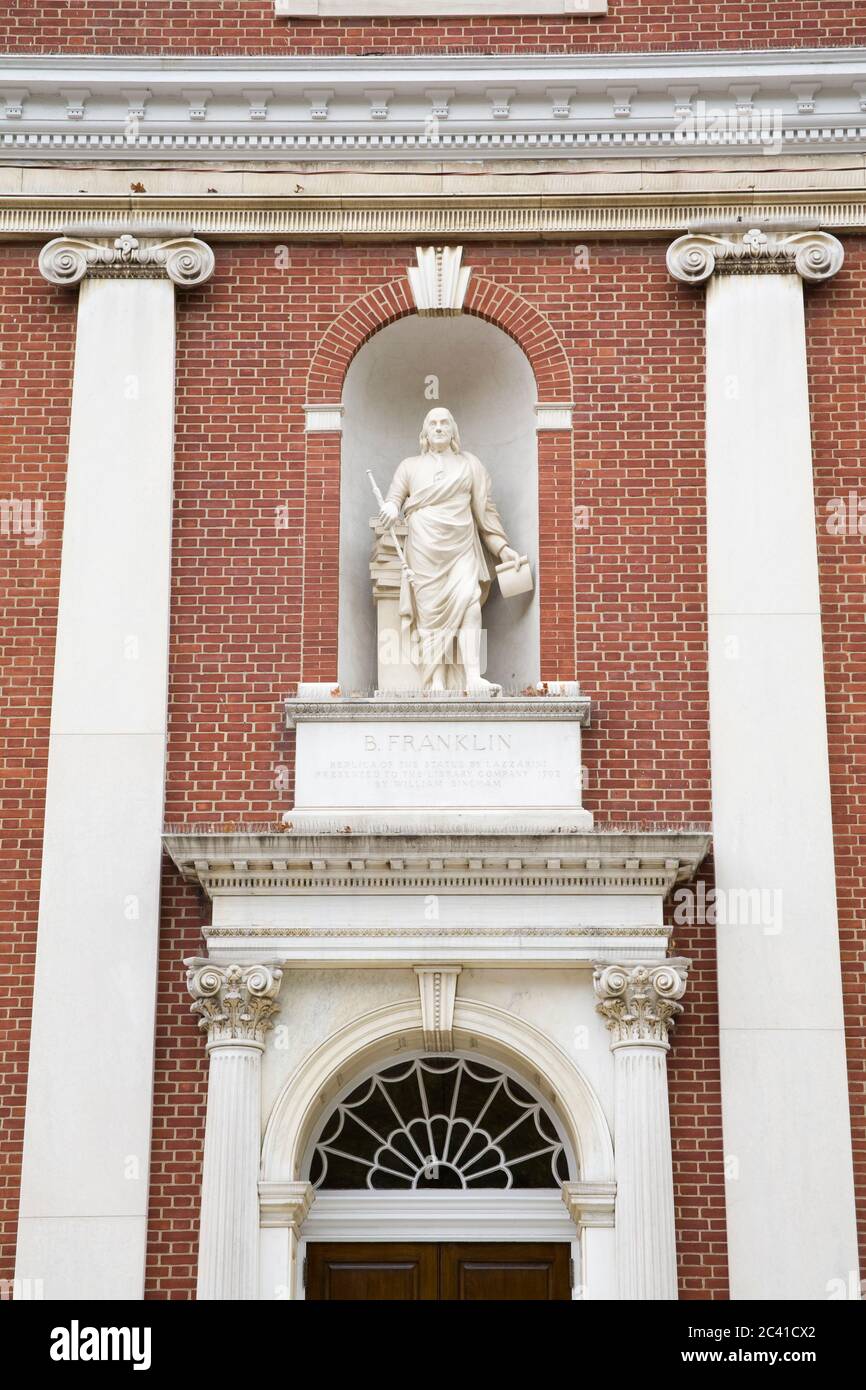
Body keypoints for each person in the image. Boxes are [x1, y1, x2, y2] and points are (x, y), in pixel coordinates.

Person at [377, 407, 525, 693]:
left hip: (461, 544)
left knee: (469, 601)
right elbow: (394, 500)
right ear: (425, 432)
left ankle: (472, 677)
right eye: (433, 423)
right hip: (424, 547)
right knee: (430, 613)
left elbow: (486, 513)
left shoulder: (470, 465)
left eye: (445, 422)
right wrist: (391, 508)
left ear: (453, 430)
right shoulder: (409, 466)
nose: (439, 427)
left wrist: (502, 548)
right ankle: (436, 679)